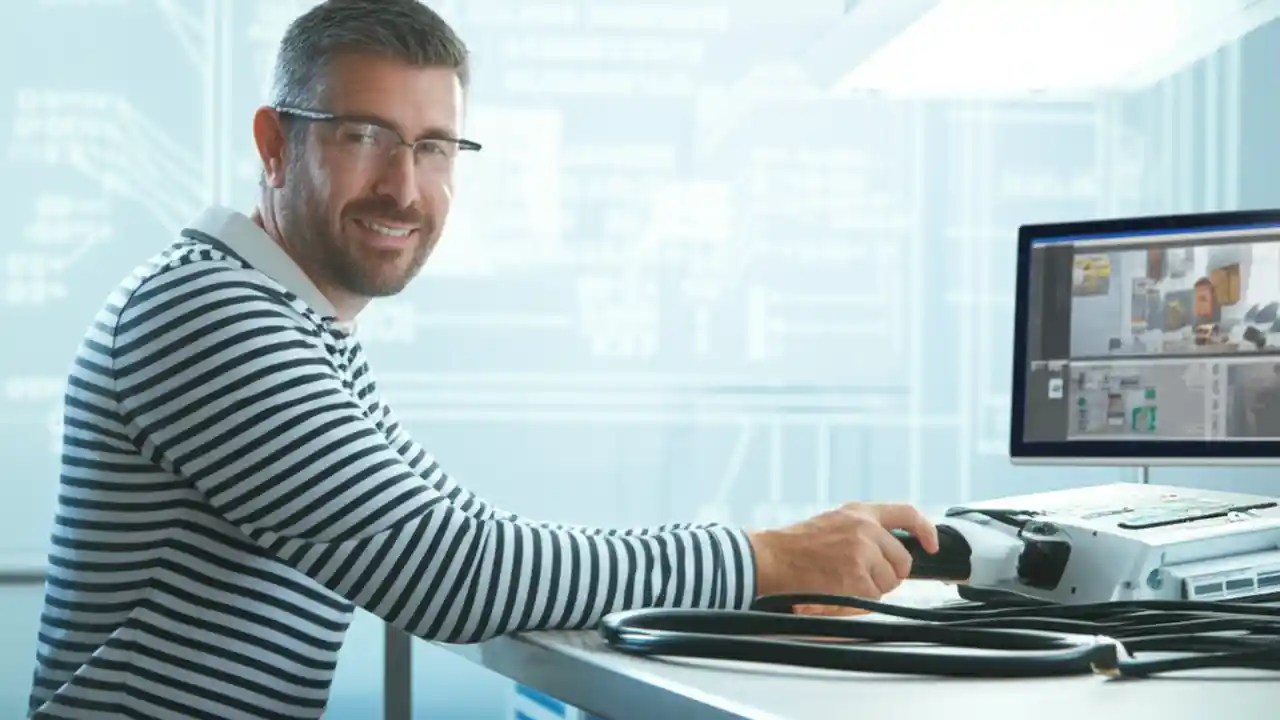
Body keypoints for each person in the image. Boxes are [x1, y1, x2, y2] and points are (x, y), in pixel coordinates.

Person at [27, 1, 938, 717]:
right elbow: (452, 571)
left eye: (432, 148)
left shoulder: (297, 325)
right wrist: (766, 559)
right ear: (275, 143)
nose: (404, 187)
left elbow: (464, 527)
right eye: (364, 137)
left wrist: (771, 578)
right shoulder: (210, 315)